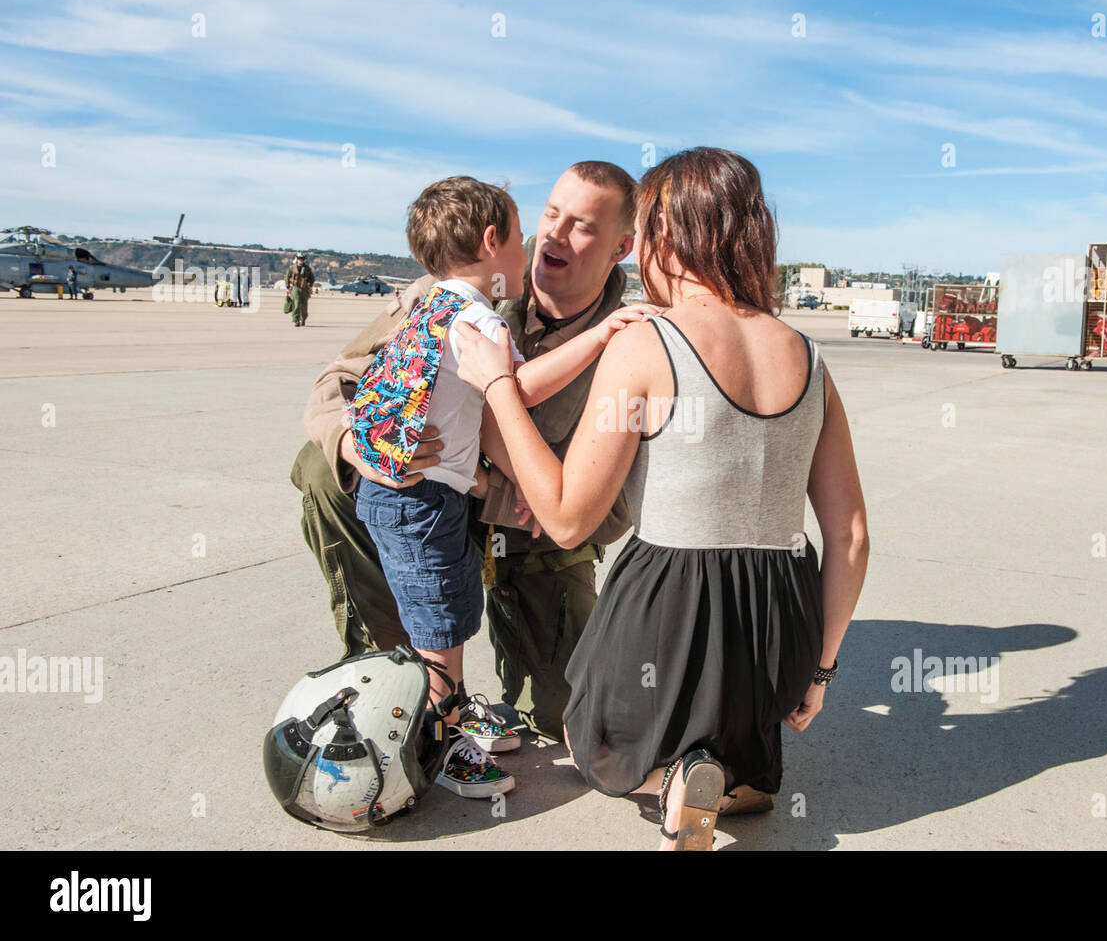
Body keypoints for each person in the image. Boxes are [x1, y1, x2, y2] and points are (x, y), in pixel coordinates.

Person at [453, 147, 869, 849]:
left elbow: (565, 515)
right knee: (750, 761)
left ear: (670, 235)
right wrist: (819, 669)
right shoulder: (812, 358)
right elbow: (851, 535)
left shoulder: (649, 343)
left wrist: (498, 384)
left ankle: (676, 778)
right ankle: (725, 770)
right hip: (781, 633)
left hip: (667, 606)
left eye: (642, 233)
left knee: (589, 740)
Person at [291, 161, 640, 742]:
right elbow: (337, 382)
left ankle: (487, 674)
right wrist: (359, 444)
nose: (553, 234)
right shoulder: (456, 291)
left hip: (537, 530)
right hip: (431, 497)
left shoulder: (630, 337)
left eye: (581, 226)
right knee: (323, 471)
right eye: (550, 214)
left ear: (621, 247)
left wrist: (496, 491)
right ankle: (398, 687)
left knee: (564, 717)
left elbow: (617, 501)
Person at [286, 254, 314, 327]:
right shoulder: (292, 268)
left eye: (302, 259)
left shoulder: (307, 269)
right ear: (297, 259)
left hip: (304, 289)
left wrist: (310, 286)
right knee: (296, 304)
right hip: (295, 288)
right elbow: (287, 277)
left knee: (304, 306)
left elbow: (312, 278)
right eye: (299, 259)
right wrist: (288, 287)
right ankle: (296, 320)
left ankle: (303, 319)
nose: (300, 260)